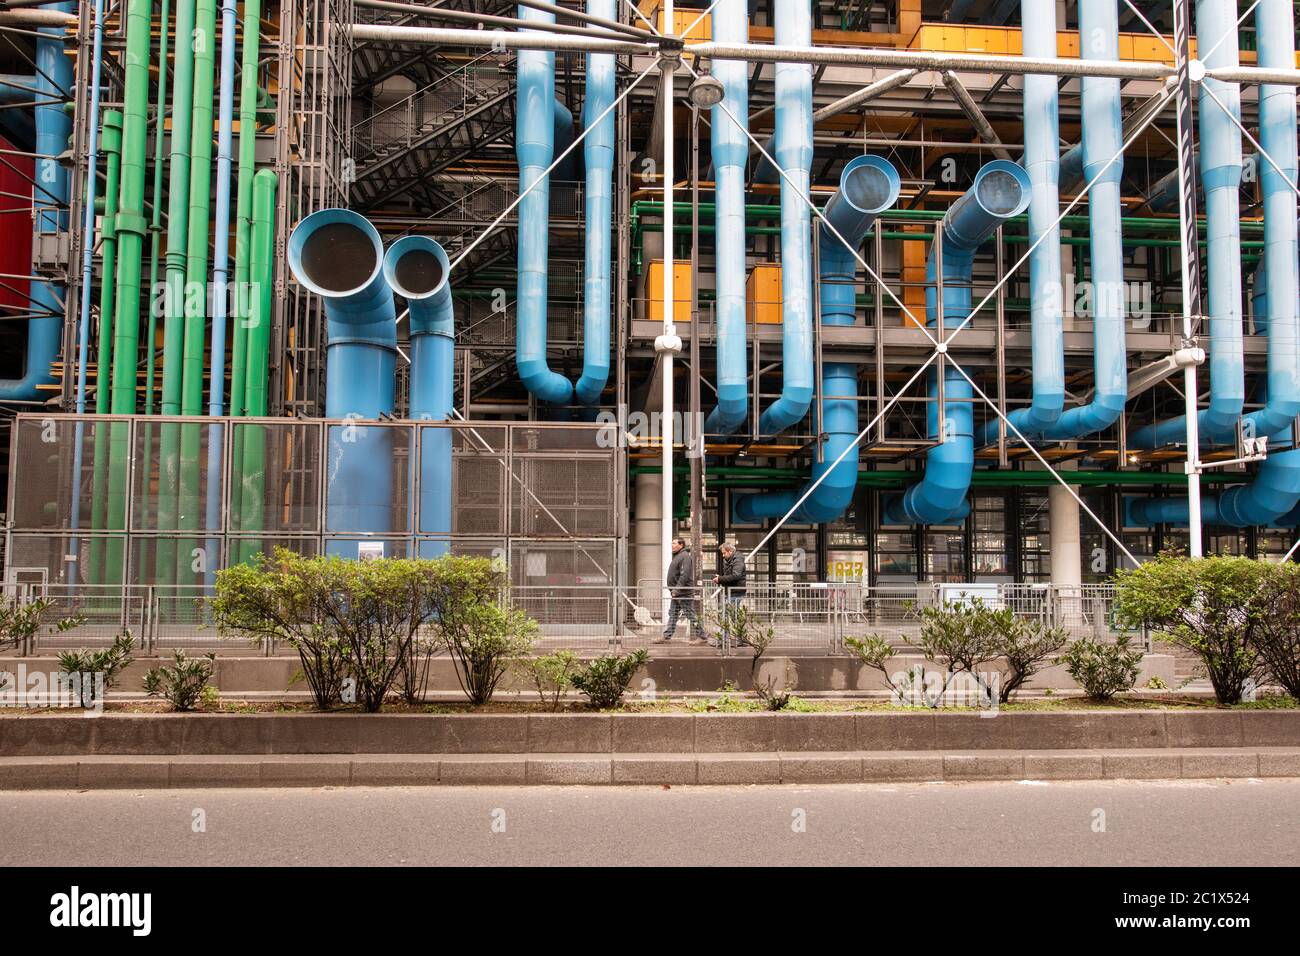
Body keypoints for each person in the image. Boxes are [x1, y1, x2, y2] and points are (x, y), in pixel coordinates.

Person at [656, 538, 703, 643]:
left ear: (681, 545)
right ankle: (667, 636)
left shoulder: (685, 556)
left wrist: (677, 589)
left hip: (683, 592)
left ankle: (702, 636)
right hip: (677, 592)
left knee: (690, 615)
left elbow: (685, 575)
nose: (672, 545)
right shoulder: (679, 556)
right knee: (673, 613)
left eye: (674, 543)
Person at [713, 542, 747, 645]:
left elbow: (736, 575)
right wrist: (720, 578)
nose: (723, 556)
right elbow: (732, 575)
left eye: (724, 553)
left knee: (727, 615)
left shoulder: (738, 560)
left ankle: (724, 639)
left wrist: (720, 579)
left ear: (730, 551)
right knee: (732, 616)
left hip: (735, 592)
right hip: (732, 591)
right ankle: (738, 639)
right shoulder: (730, 560)